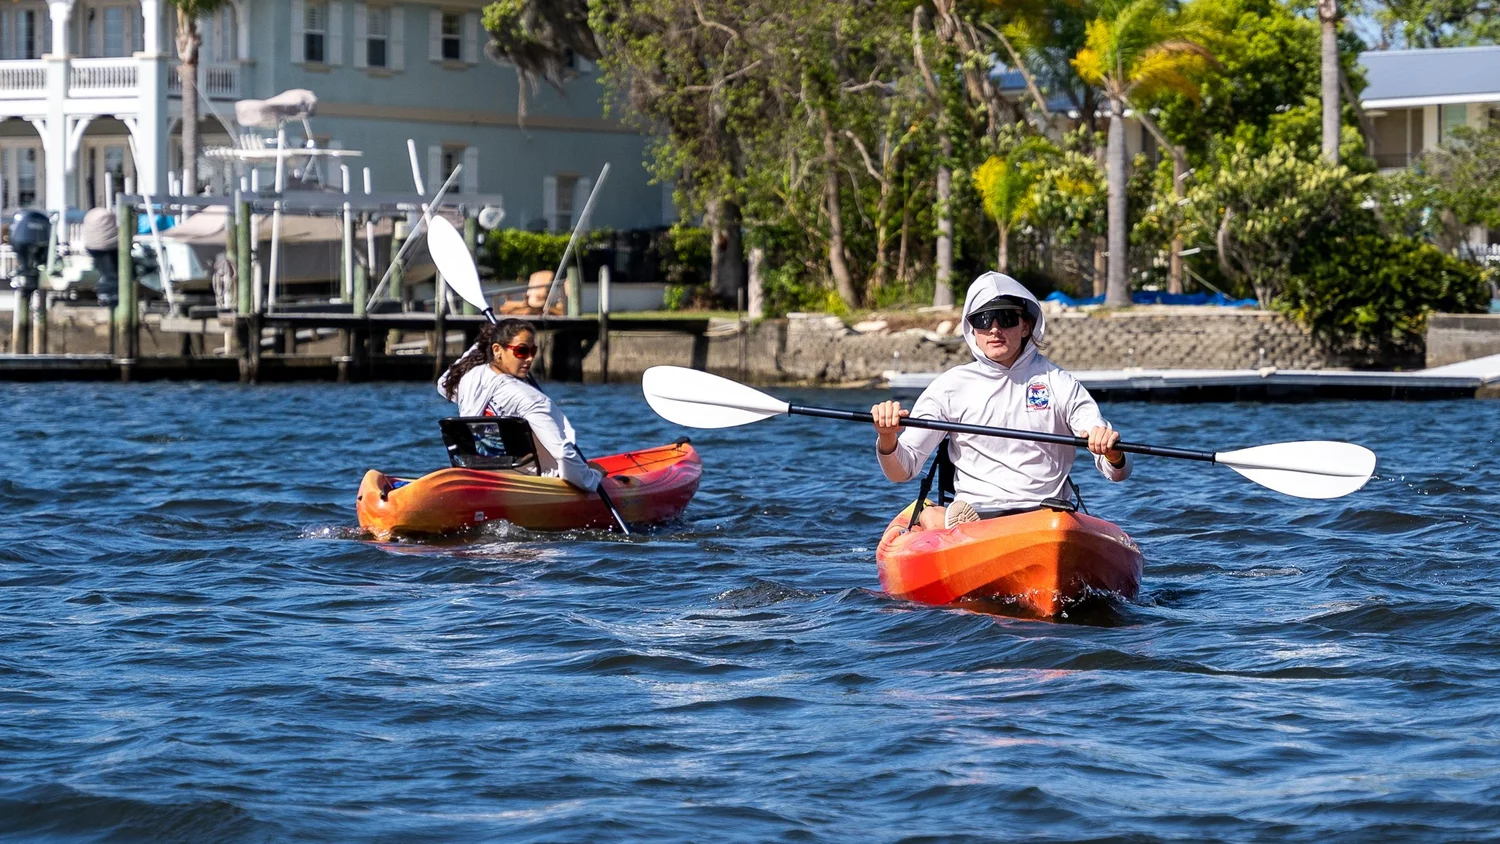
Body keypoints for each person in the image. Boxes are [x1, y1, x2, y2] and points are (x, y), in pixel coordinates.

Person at [871, 272, 1130, 530]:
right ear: (973, 329)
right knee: (929, 515)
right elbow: (902, 471)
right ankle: (952, 521)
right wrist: (887, 436)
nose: (994, 329)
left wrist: (1111, 452)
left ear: (1025, 326)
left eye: (1006, 318)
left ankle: (949, 521)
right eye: (983, 320)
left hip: (1047, 517)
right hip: (975, 517)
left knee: (935, 517)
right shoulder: (949, 386)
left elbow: (1118, 472)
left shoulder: (1058, 382)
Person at [438, 318, 603, 492]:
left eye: (533, 351)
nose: (530, 358)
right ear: (497, 349)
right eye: (521, 351)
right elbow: (562, 453)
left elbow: (443, 384)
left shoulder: (468, 377)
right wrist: (592, 477)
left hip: (481, 475)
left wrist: (485, 340)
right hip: (530, 484)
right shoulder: (530, 399)